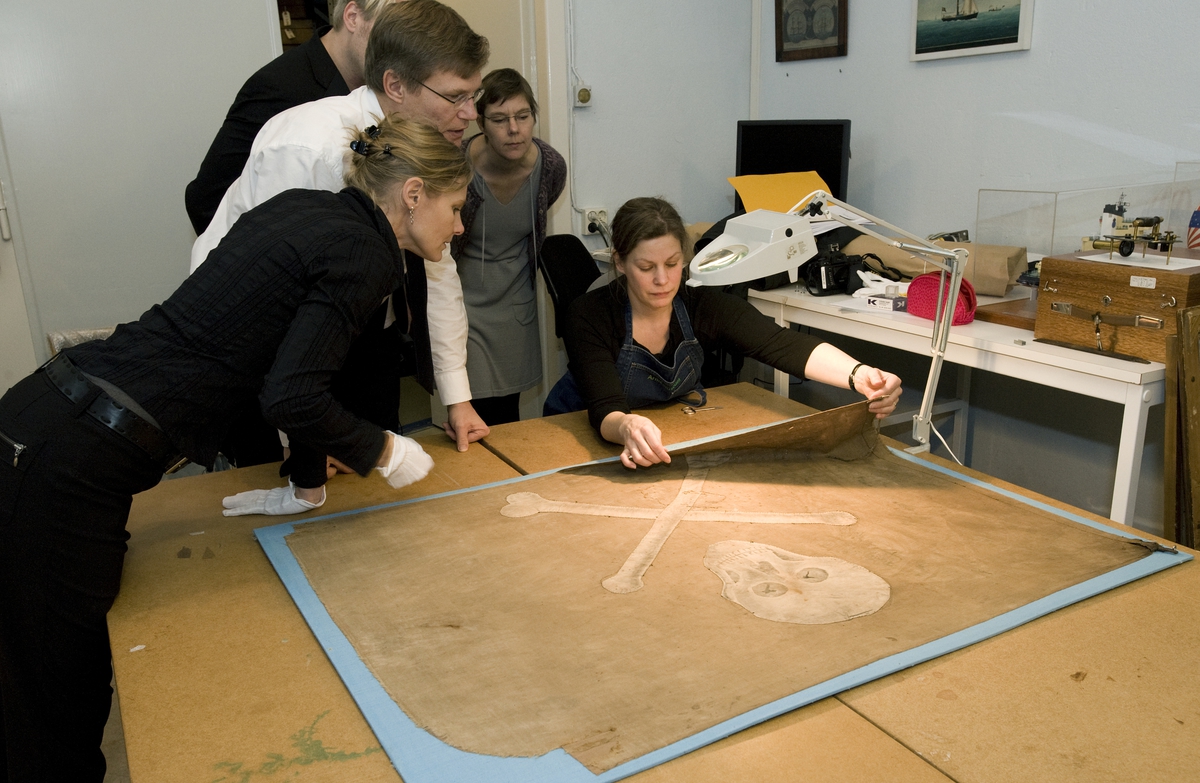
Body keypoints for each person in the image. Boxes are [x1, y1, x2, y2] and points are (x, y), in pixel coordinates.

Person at [0, 116, 470, 782]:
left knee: (37, 680)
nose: (459, 229)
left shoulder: (307, 211)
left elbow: (298, 369)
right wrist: (384, 449)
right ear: (415, 193)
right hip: (69, 462)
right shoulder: (367, 256)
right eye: (456, 209)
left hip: (46, 411)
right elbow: (292, 396)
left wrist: (306, 483)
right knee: (56, 700)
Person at [191, 0, 491, 465]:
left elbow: (438, 264)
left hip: (361, 338)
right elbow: (263, 296)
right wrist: (304, 443)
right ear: (395, 84)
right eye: (456, 97)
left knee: (373, 503)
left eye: (475, 94)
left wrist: (457, 396)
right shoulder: (305, 145)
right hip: (257, 351)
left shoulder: (423, 149)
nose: (470, 113)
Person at [546, 197, 903, 470]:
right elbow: (606, 408)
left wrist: (860, 375)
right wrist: (626, 426)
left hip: (658, 432)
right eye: (645, 267)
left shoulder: (702, 306)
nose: (662, 279)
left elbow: (781, 344)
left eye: (672, 264)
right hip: (583, 430)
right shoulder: (589, 314)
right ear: (620, 262)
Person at [185, 0, 395, 235]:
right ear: (353, 16)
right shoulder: (280, 87)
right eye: (391, 29)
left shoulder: (376, 87)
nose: (398, 45)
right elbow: (205, 201)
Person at [448, 68, 566, 424]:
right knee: (472, 410)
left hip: (516, 306)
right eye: (499, 119)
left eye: (523, 116)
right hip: (464, 306)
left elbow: (541, 215)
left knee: (506, 415)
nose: (514, 129)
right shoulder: (455, 165)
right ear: (480, 122)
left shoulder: (550, 168)